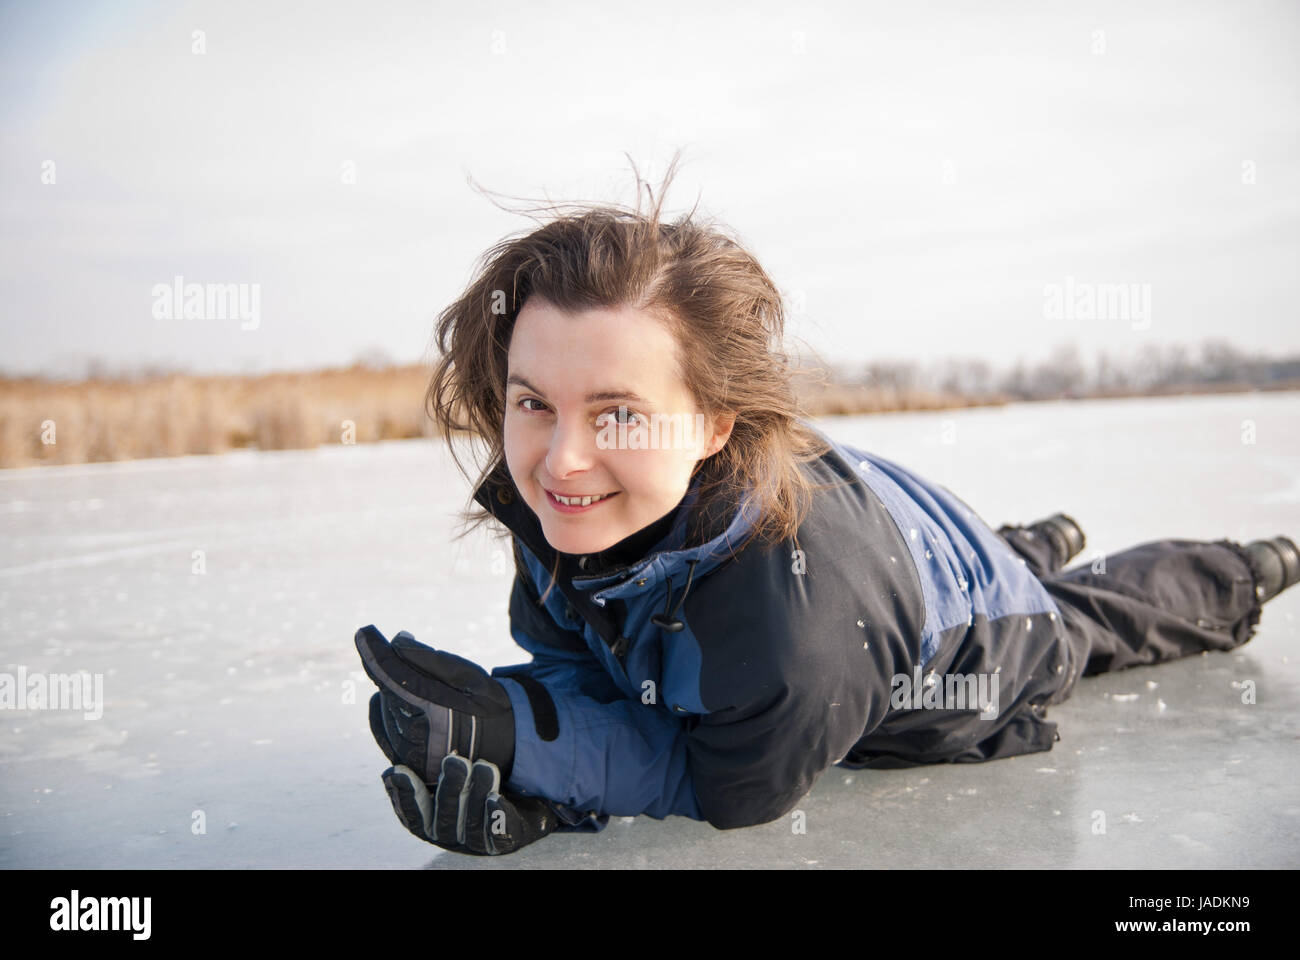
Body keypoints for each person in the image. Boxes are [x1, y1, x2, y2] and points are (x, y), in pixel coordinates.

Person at [354, 157, 1300, 856]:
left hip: (948, 617)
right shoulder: (571, 505)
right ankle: (1030, 538)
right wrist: (527, 743)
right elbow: (588, 665)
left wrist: (540, 752)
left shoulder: (794, 639)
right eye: (534, 403)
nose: (560, 461)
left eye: (618, 415)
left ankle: (1230, 569)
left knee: (1077, 622)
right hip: (873, 524)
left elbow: (728, 785)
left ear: (716, 425)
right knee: (968, 565)